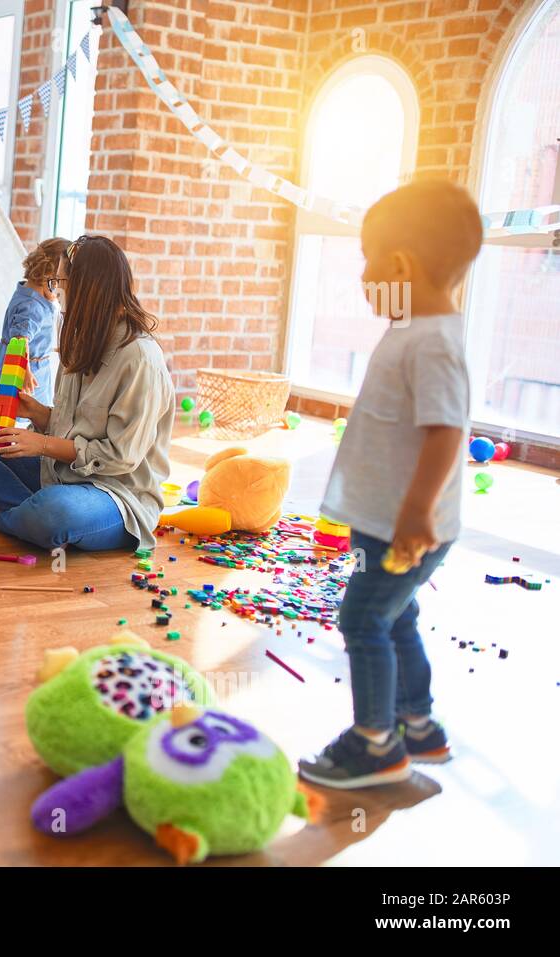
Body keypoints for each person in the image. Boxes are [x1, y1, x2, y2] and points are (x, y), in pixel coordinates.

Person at [300, 181, 483, 790]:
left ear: (400, 267)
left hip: (402, 526)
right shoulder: (414, 329)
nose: (362, 277)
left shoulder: (432, 341)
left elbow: (445, 432)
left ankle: (376, 743)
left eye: (367, 262)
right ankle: (418, 725)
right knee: (395, 616)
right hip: (381, 519)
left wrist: (415, 514)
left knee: (362, 619)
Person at [0, 235, 174, 552]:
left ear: (86, 288)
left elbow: (119, 457)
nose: (56, 292)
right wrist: (38, 414)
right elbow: (73, 424)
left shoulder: (140, 359)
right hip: (58, 476)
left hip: (115, 496)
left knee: (57, 512)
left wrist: (43, 444)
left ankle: (1, 518)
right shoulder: (80, 337)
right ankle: (31, 517)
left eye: (59, 281)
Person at [0, 238, 68, 418]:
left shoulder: (27, 293)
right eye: (60, 285)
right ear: (50, 277)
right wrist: (24, 370)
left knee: (5, 419)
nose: (59, 294)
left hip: (23, 365)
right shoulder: (32, 306)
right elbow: (20, 339)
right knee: (17, 420)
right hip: (20, 370)